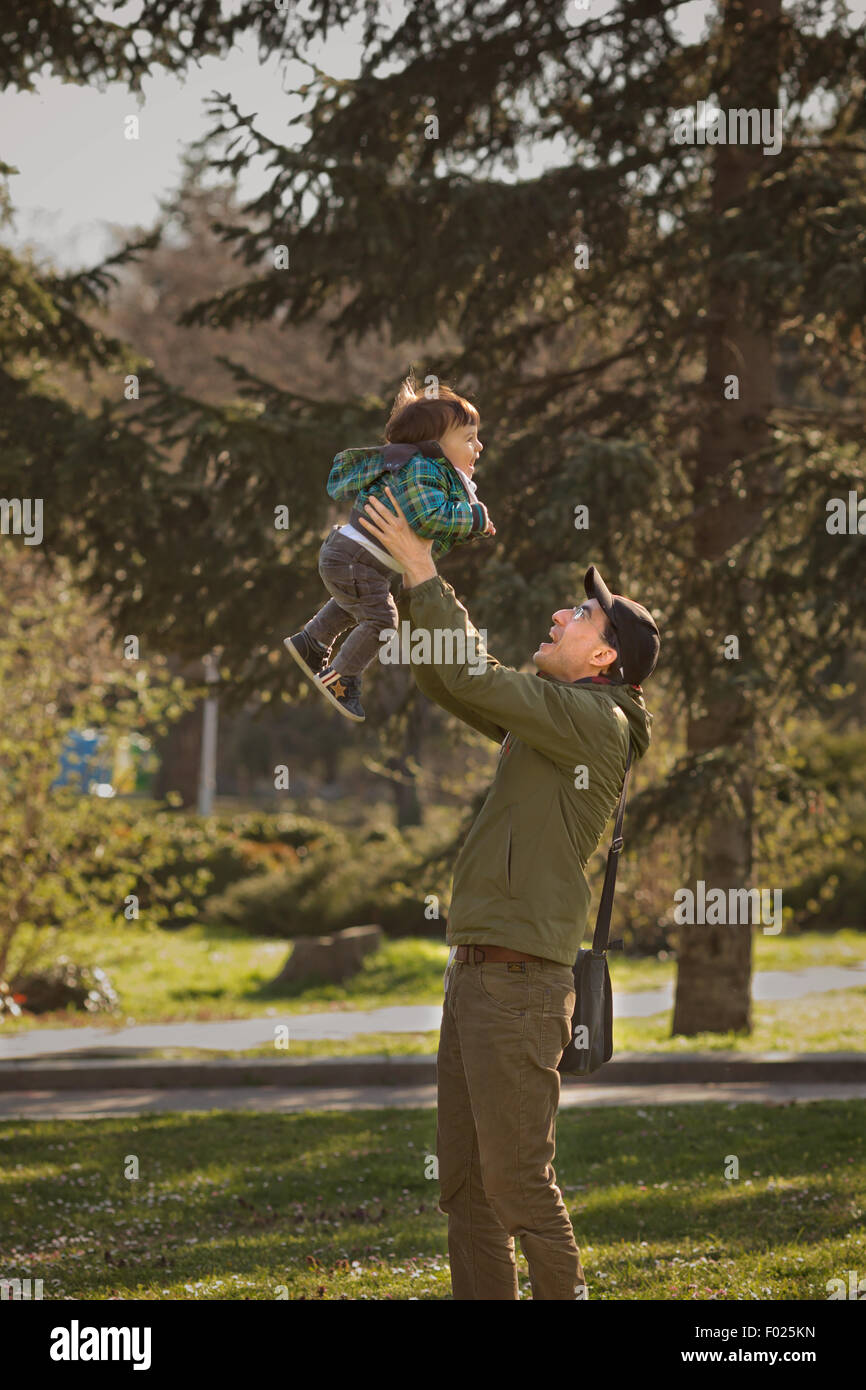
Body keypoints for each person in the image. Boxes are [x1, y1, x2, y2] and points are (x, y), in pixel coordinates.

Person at [355, 486, 660, 1302]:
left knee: (519, 1187)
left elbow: (476, 676)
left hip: (521, 983)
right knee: (466, 1191)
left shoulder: (599, 724)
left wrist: (424, 571)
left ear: (605, 660)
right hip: (481, 975)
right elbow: (452, 681)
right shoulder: (556, 717)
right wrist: (410, 590)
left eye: (582, 618)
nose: (562, 616)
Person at [283, 377, 495, 721]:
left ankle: (311, 641)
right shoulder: (422, 469)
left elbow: (429, 536)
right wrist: (472, 518)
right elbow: (429, 518)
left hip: (353, 558)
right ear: (435, 445)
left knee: (359, 600)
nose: (480, 447)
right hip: (355, 558)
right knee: (382, 620)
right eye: (469, 438)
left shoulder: (425, 472)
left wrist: (472, 526)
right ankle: (341, 678)